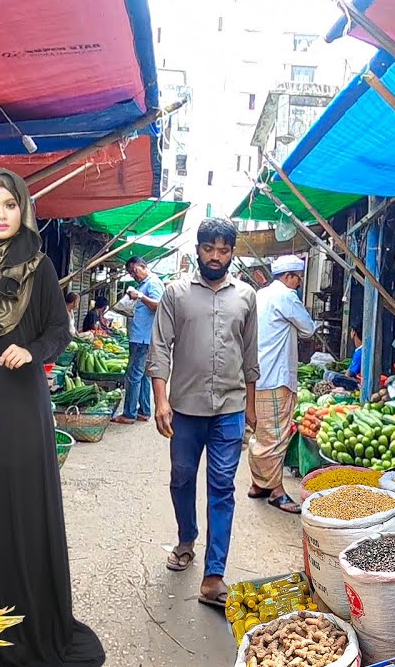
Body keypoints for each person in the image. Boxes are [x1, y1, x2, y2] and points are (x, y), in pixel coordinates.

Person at [0, 169, 105, 667]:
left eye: (9, 205)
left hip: (19, 402)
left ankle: (23, 618)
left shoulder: (40, 268)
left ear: (23, 209)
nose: (1, 215)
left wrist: (30, 352)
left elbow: (59, 330)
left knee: (18, 504)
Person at [148, 217, 258, 609]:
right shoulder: (175, 294)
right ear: (198, 250)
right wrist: (161, 400)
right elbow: (159, 348)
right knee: (181, 478)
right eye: (209, 248)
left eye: (223, 250)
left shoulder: (246, 296)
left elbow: (249, 354)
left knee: (222, 488)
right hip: (185, 408)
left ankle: (214, 575)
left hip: (229, 408)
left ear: (232, 253)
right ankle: (185, 538)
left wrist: (252, 406)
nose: (215, 256)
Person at [249, 255, 316, 514]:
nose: (299, 283)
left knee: (261, 433)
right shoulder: (286, 296)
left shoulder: (260, 295)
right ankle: (276, 492)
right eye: (298, 278)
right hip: (275, 377)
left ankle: (258, 483)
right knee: (275, 436)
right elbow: (308, 328)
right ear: (289, 276)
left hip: (257, 375)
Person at [114, 256, 163, 425]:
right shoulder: (143, 284)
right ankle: (144, 411)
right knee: (142, 376)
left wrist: (141, 297)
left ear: (144, 266)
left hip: (142, 338)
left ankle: (128, 414)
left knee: (133, 375)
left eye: (135, 271)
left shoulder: (153, 283)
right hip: (141, 336)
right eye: (130, 273)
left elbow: (159, 305)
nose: (134, 275)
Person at [326, 323, 364, 391]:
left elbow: (350, 374)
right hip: (358, 380)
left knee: (330, 375)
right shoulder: (361, 350)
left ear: (354, 332)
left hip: (358, 384)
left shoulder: (360, 352)